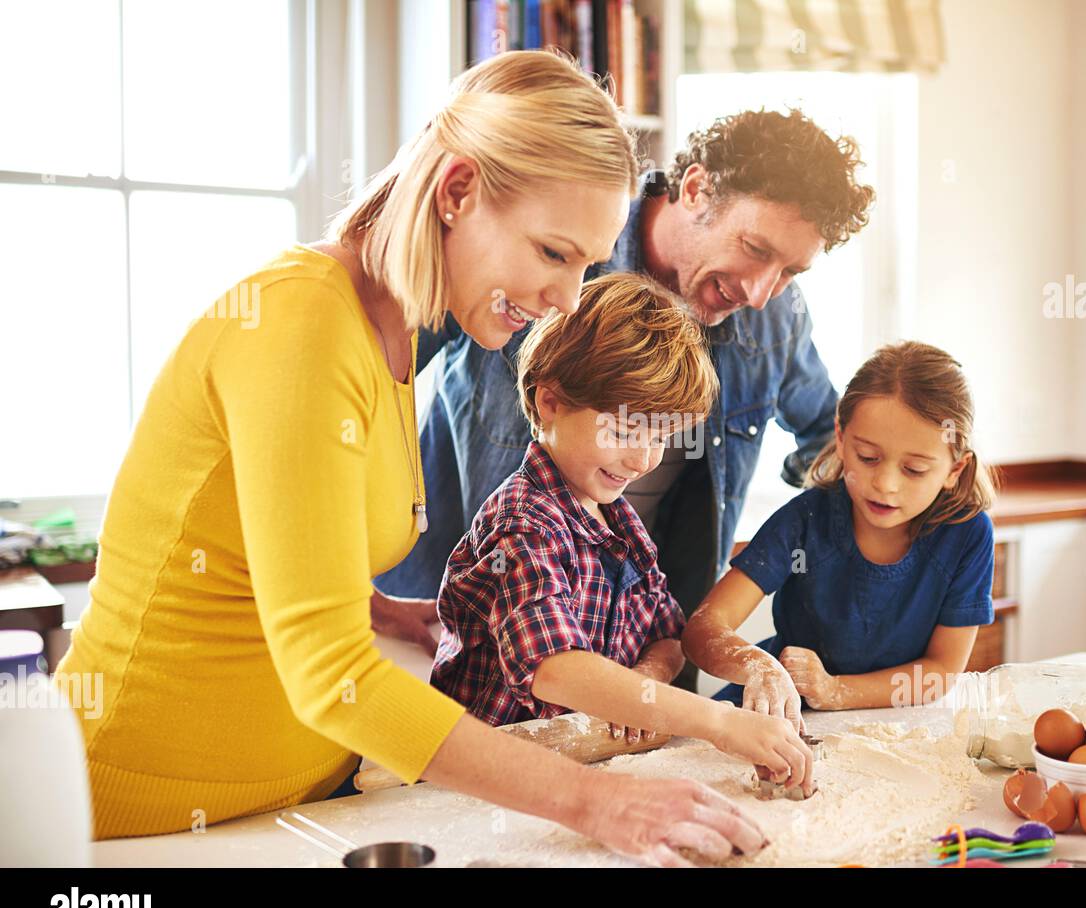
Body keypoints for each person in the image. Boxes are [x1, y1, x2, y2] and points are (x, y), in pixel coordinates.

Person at [55, 50, 765, 867]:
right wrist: (600, 802)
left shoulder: (388, 335)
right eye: (552, 253)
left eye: (587, 265)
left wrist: (403, 611)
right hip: (142, 821)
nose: (566, 300)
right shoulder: (298, 324)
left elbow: (291, 559)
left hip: (303, 805)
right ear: (458, 191)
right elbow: (329, 672)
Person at [375, 110, 877, 685]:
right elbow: (368, 378)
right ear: (695, 189)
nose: (762, 292)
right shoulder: (558, 251)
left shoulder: (776, 320)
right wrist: (361, 598)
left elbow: (827, 442)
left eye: (790, 271)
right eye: (756, 248)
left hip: (648, 655)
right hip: (467, 644)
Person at [432, 274, 815, 793]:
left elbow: (668, 637)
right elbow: (556, 670)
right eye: (627, 429)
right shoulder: (522, 522)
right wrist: (721, 723)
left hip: (584, 773)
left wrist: (648, 682)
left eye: (661, 436)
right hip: (484, 781)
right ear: (550, 403)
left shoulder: (621, 522)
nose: (643, 459)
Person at [681, 342, 997, 723]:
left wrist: (834, 691)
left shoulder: (967, 535)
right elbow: (702, 629)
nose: (885, 484)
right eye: (868, 457)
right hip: (784, 711)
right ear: (841, 439)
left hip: (898, 719)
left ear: (954, 470)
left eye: (914, 469)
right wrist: (756, 666)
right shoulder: (805, 521)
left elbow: (942, 669)